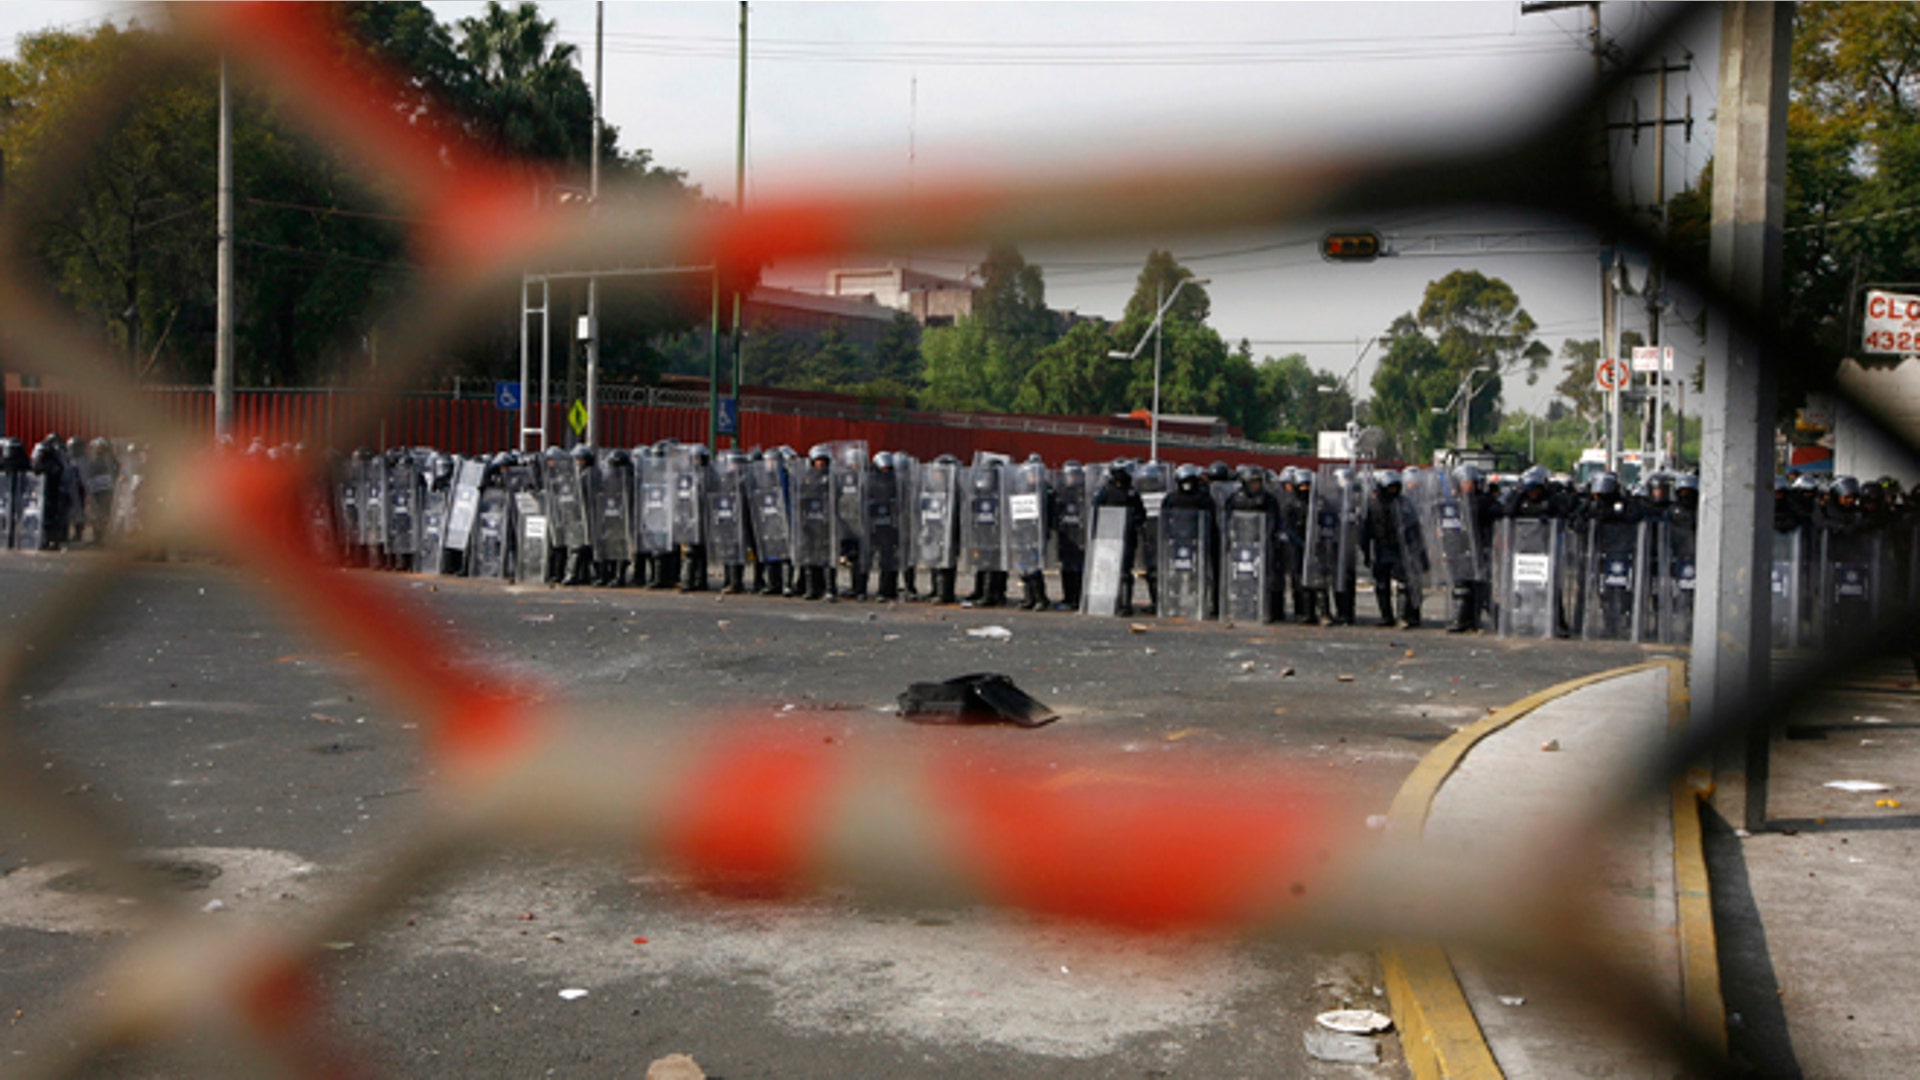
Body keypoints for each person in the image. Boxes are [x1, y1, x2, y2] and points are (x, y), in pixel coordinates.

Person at [1360, 469, 1422, 628]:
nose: (1392, 491)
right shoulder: (1372, 504)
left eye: (1394, 488)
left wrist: (1418, 550)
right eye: (1388, 488)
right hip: (1380, 548)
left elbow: (1414, 527)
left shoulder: (1404, 503)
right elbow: (1365, 530)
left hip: (1400, 548)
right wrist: (1366, 552)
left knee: (1403, 584)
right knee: (1381, 585)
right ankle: (1386, 616)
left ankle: (1403, 616)